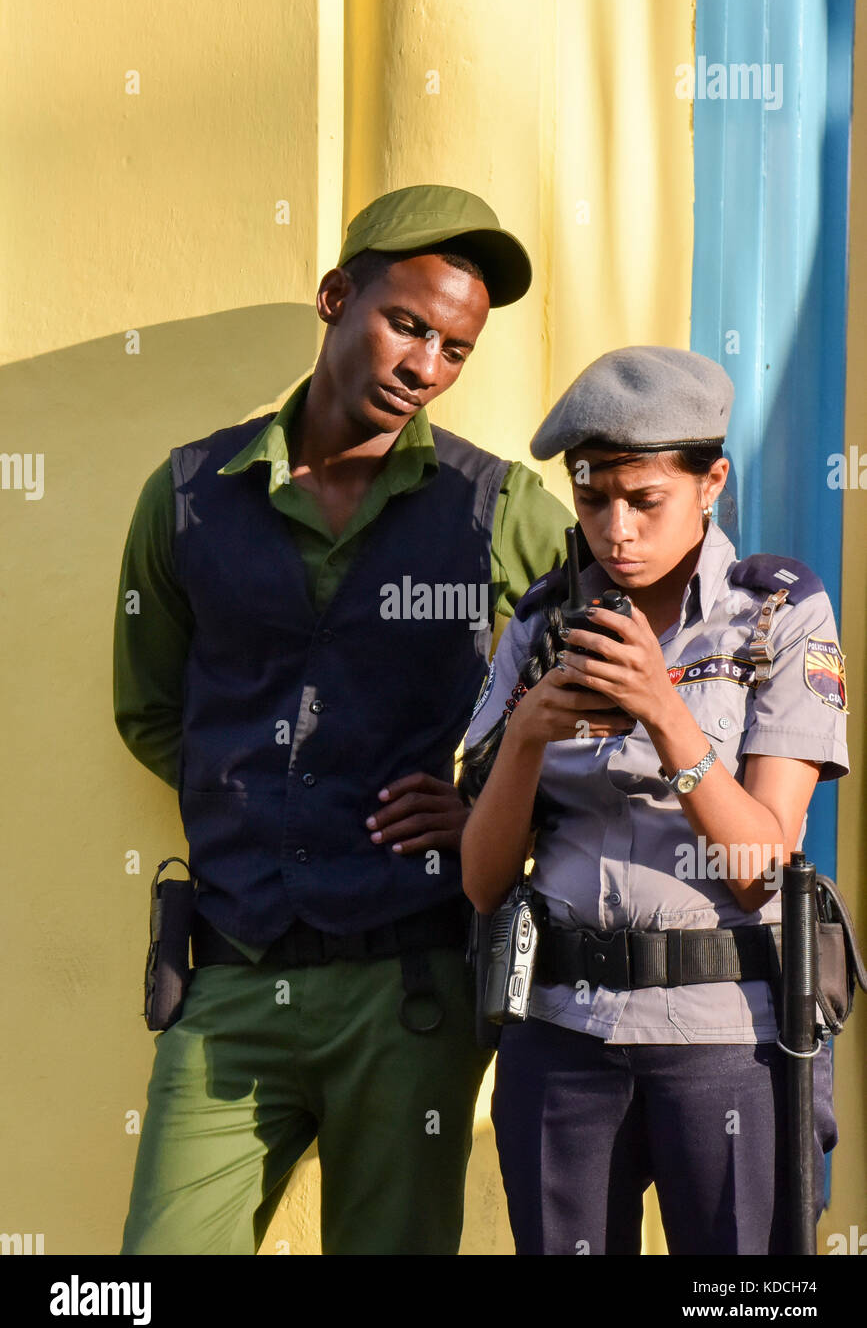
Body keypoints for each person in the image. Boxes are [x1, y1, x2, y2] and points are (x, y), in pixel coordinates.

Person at [114, 183, 574, 1255]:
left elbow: (618, 683)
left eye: (455, 349)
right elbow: (149, 707)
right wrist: (261, 797)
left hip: (410, 991)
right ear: (334, 297)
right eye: (406, 325)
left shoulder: (497, 507)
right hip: (227, 976)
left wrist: (485, 808)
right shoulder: (187, 493)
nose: (424, 365)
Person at [459, 345, 849, 1256]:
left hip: (726, 1041)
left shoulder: (776, 614)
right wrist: (523, 738)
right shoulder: (540, 623)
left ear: (710, 481)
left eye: (644, 501)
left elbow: (759, 869)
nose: (615, 530)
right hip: (562, 1035)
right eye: (592, 499)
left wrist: (664, 714)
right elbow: (481, 884)